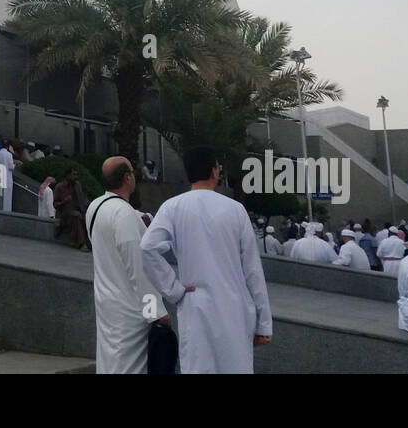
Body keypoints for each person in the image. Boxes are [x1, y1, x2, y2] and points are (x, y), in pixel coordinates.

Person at [139, 146, 272, 373]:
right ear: (214, 172)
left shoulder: (172, 207)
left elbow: (147, 248)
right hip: (235, 308)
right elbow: (252, 270)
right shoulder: (236, 209)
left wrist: (174, 290)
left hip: (195, 305)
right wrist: (264, 323)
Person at [87, 157, 165, 373]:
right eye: (132, 171)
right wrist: (156, 311)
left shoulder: (95, 207)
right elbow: (138, 268)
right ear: (126, 177)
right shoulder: (123, 213)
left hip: (106, 301)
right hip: (129, 309)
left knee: (110, 361)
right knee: (129, 365)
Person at [53, 166, 89, 250]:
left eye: (76, 175)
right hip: (65, 214)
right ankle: (82, 243)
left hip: (79, 211)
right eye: (74, 174)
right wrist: (64, 202)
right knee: (76, 216)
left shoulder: (78, 185)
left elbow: (84, 199)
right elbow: (55, 204)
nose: (76, 177)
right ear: (67, 175)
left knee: (85, 216)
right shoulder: (60, 187)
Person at [0, 138, 14, 212]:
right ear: (8, 146)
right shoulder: (9, 155)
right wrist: (15, 164)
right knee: (7, 197)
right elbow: (11, 166)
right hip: (7, 178)